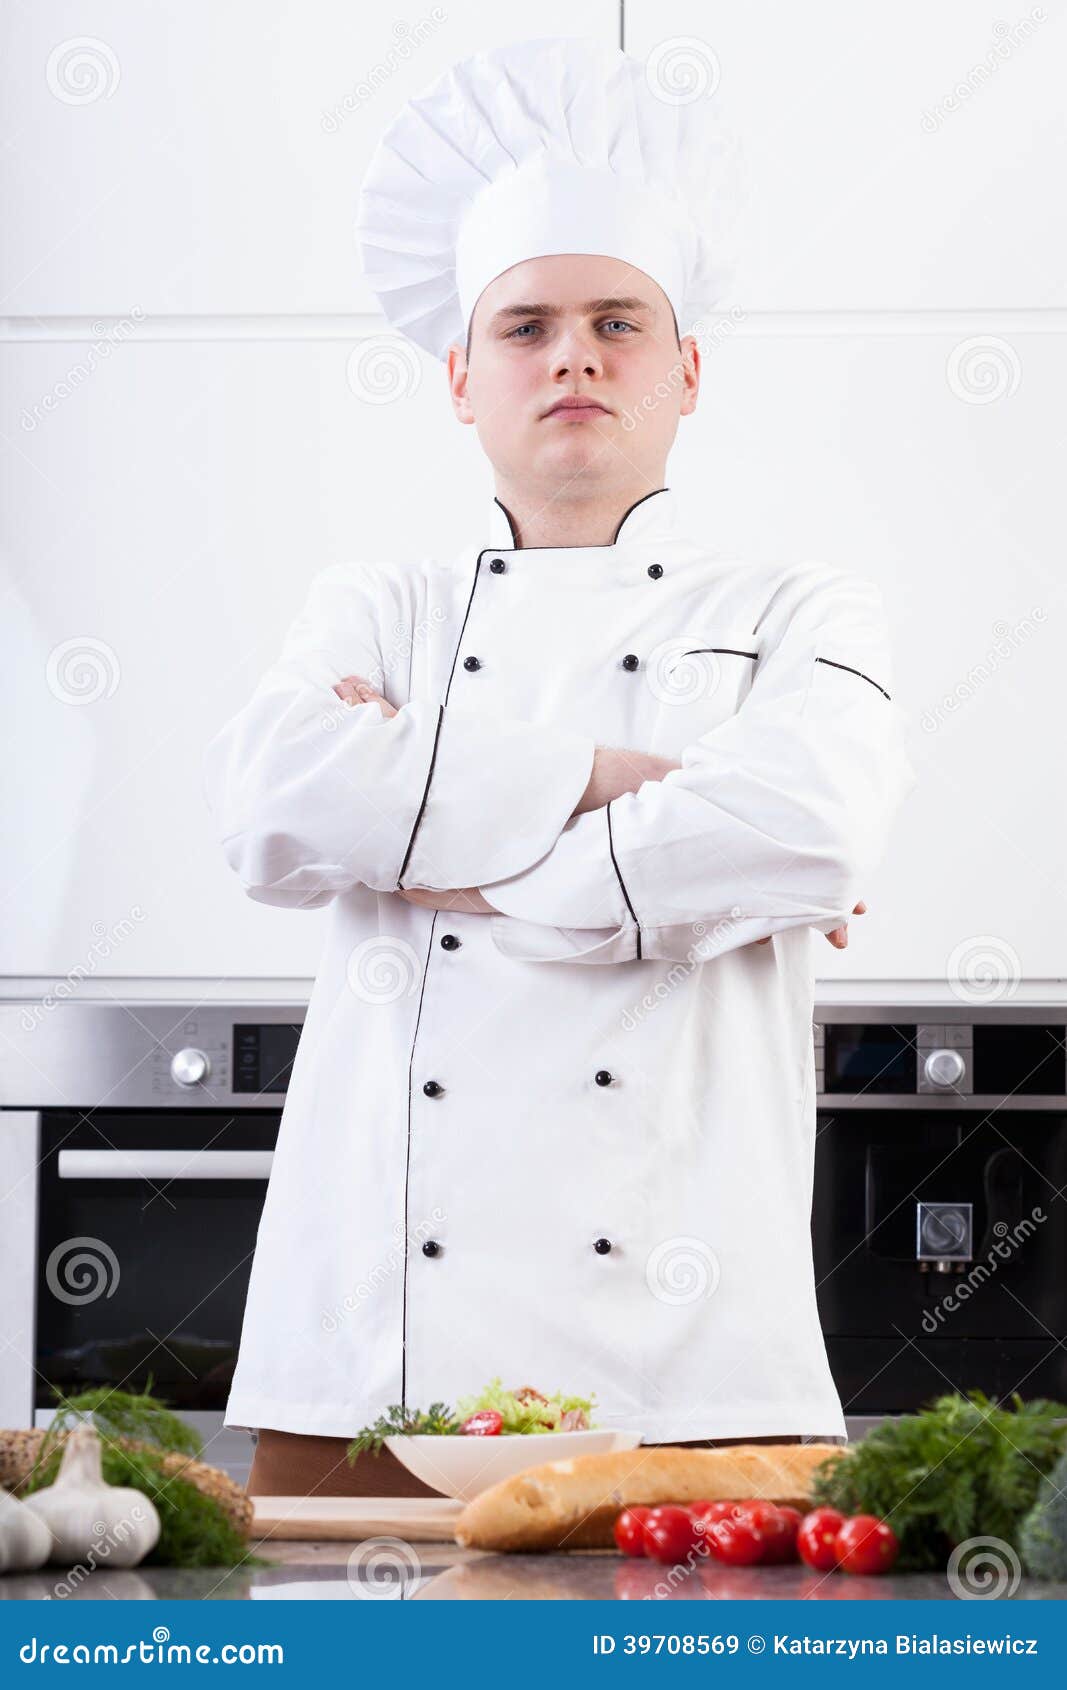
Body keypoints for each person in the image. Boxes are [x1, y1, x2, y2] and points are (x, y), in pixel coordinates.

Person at [202, 37, 916, 1498]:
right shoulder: (377, 603)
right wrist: (626, 776)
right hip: (371, 1382)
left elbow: (817, 824)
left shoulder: (800, 608)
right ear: (463, 377)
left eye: (617, 321)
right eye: (526, 325)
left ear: (688, 370)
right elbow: (271, 804)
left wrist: (425, 826)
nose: (573, 353)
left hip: (704, 1380)